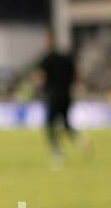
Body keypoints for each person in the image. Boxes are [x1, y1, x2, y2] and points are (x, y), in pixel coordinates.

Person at [35, 33, 88, 167]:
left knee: (49, 126)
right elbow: (78, 75)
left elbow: (40, 79)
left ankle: (57, 154)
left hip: (53, 96)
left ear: (49, 42)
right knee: (65, 123)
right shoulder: (66, 58)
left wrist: (38, 89)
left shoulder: (46, 60)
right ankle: (80, 140)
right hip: (67, 96)